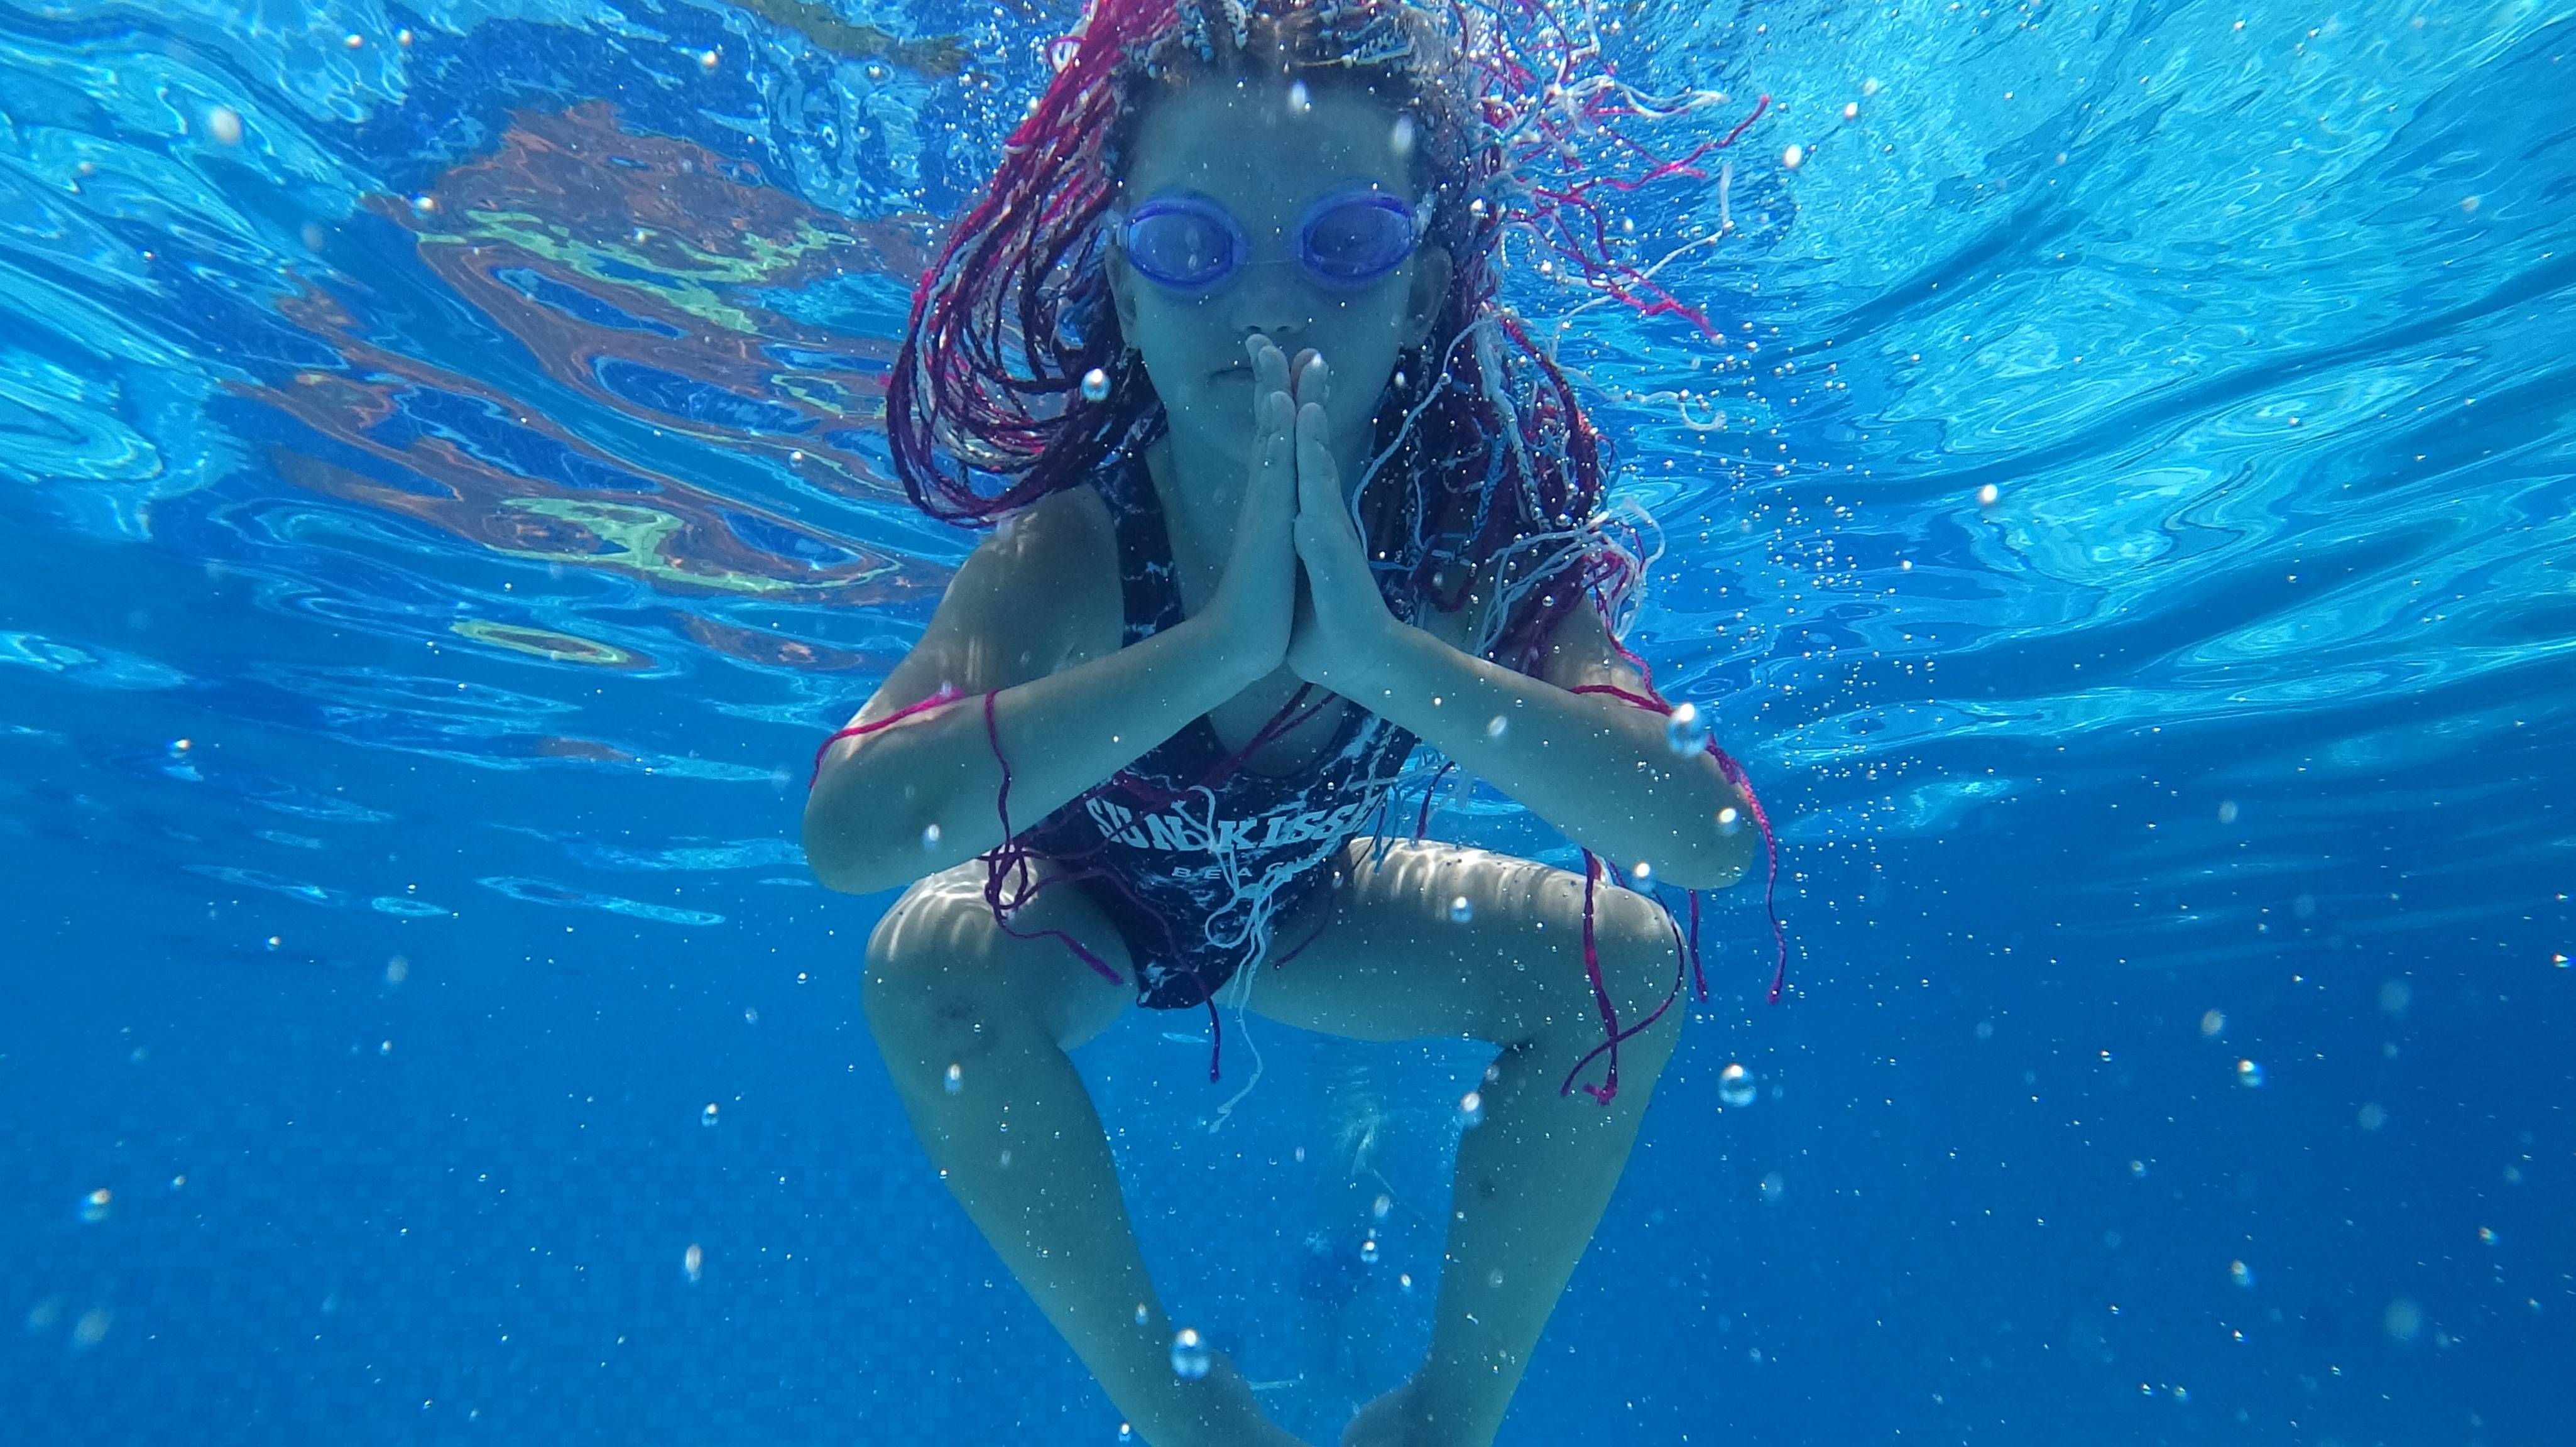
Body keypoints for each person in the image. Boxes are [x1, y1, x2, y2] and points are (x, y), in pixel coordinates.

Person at [803, 3, 1777, 1442]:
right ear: (1127, 290)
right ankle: (1180, 1410)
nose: (1266, 304)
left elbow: (1708, 843)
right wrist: (1213, 653)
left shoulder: (1464, 543)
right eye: (1194, 247)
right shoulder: (1076, 553)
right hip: (1084, 911)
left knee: (1624, 970)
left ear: (1423, 291)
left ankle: (1446, 1417)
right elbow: (851, 832)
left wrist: (1383, 657)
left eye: (1343, 244)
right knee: (924, 971)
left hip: (1310, 912)